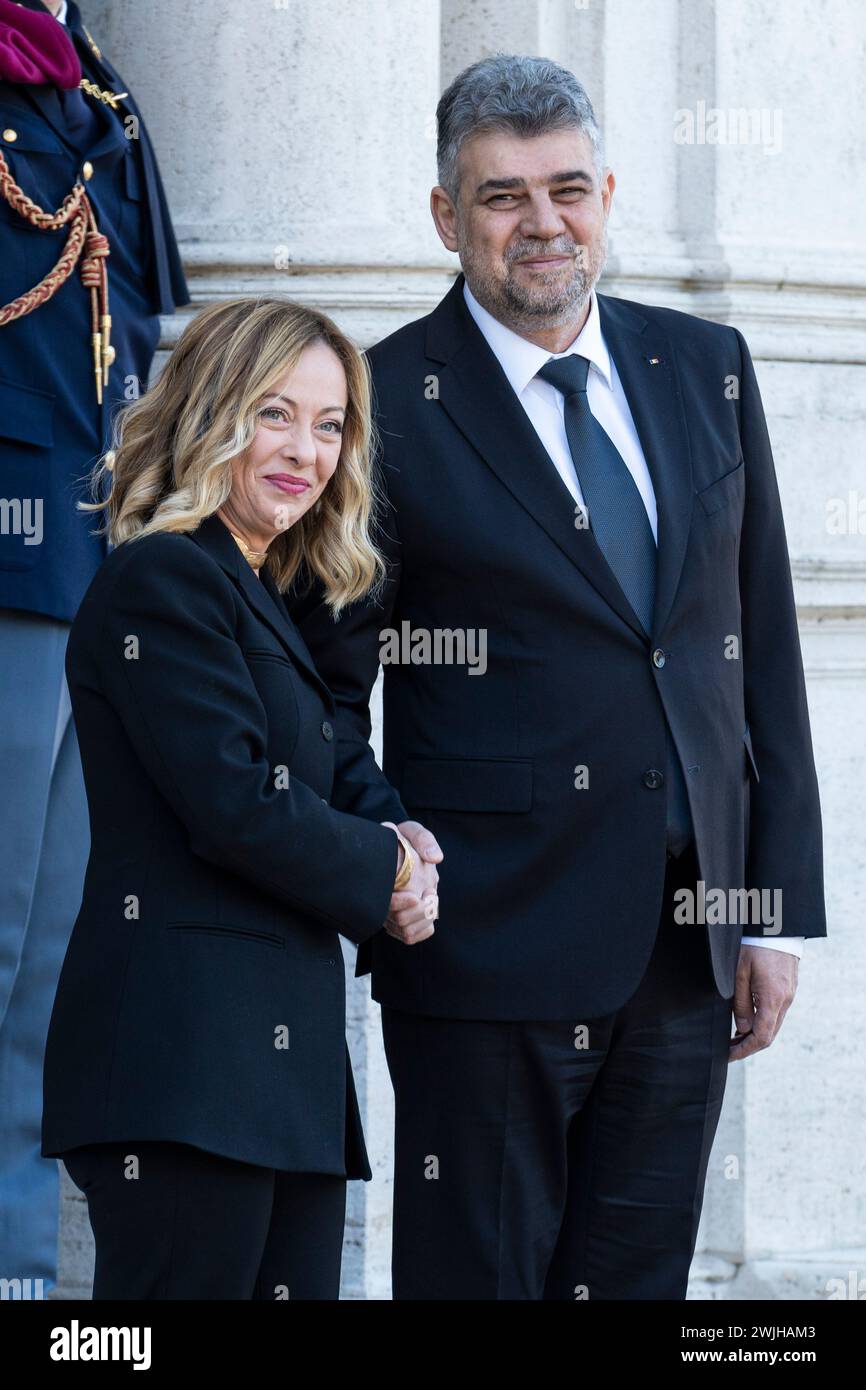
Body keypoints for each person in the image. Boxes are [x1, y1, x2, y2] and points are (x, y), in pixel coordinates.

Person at [290, 54, 826, 1299]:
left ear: (607, 193)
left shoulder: (708, 367)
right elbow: (321, 683)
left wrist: (771, 909)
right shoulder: (378, 403)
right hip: (482, 945)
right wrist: (382, 852)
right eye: (500, 197)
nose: (542, 223)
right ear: (444, 217)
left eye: (567, 189)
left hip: (681, 947)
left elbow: (757, 645)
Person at [40, 296, 439, 1300]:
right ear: (210, 411)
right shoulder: (164, 580)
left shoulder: (255, 589)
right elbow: (236, 802)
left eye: (329, 422)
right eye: (274, 412)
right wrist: (383, 867)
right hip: (187, 1068)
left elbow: (319, 752)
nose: (305, 449)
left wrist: (399, 834)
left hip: (271, 1078)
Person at [0, 0, 188, 1292]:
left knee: (56, 945)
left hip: (100, 564)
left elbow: (160, 343)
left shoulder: (103, 100)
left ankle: (15, 1256)